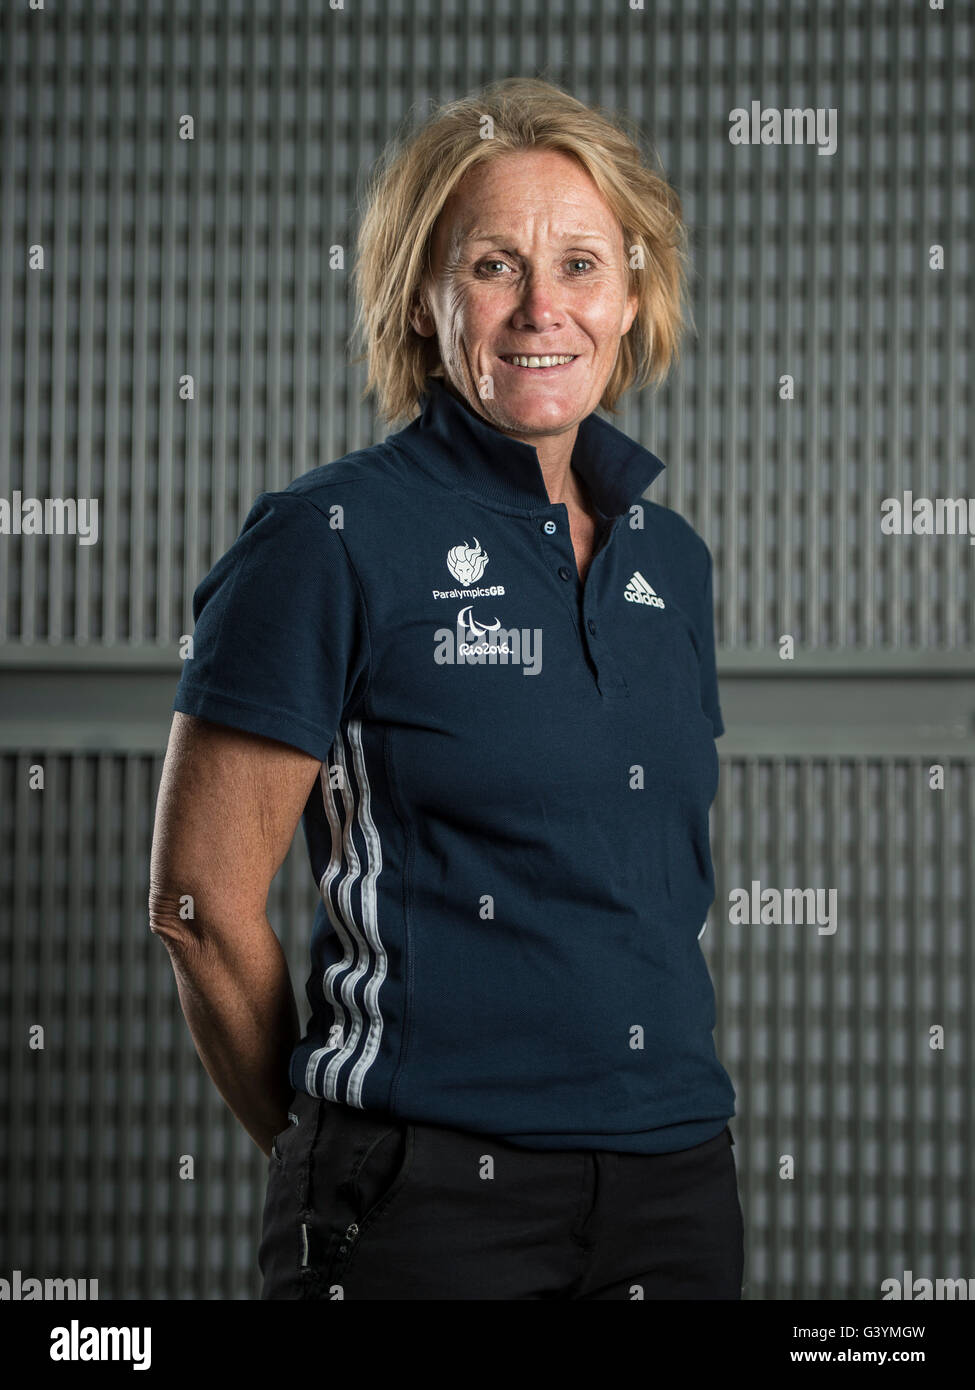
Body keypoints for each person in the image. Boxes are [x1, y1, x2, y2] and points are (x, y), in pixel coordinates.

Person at [149, 76, 744, 1301]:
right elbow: (200, 903)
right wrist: (341, 1155)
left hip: (676, 1186)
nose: (543, 308)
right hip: (424, 1206)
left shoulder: (670, 559)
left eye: (583, 264)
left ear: (633, 299)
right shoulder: (327, 535)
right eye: (492, 265)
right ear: (423, 299)